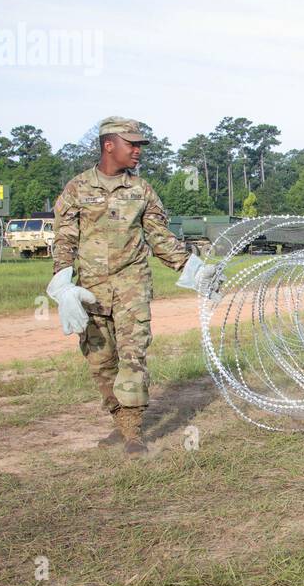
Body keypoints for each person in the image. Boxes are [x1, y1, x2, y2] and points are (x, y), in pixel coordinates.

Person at [48, 117, 216, 455]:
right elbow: (64, 238)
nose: (138, 151)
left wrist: (192, 268)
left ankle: (134, 431)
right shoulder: (77, 189)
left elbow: (159, 237)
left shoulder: (141, 191)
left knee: (132, 358)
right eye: (132, 144)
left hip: (132, 288)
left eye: (140, 145)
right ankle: (120, 419)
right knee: (100, 361)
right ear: (109, 145)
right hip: (90, 292)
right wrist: (62, 282)